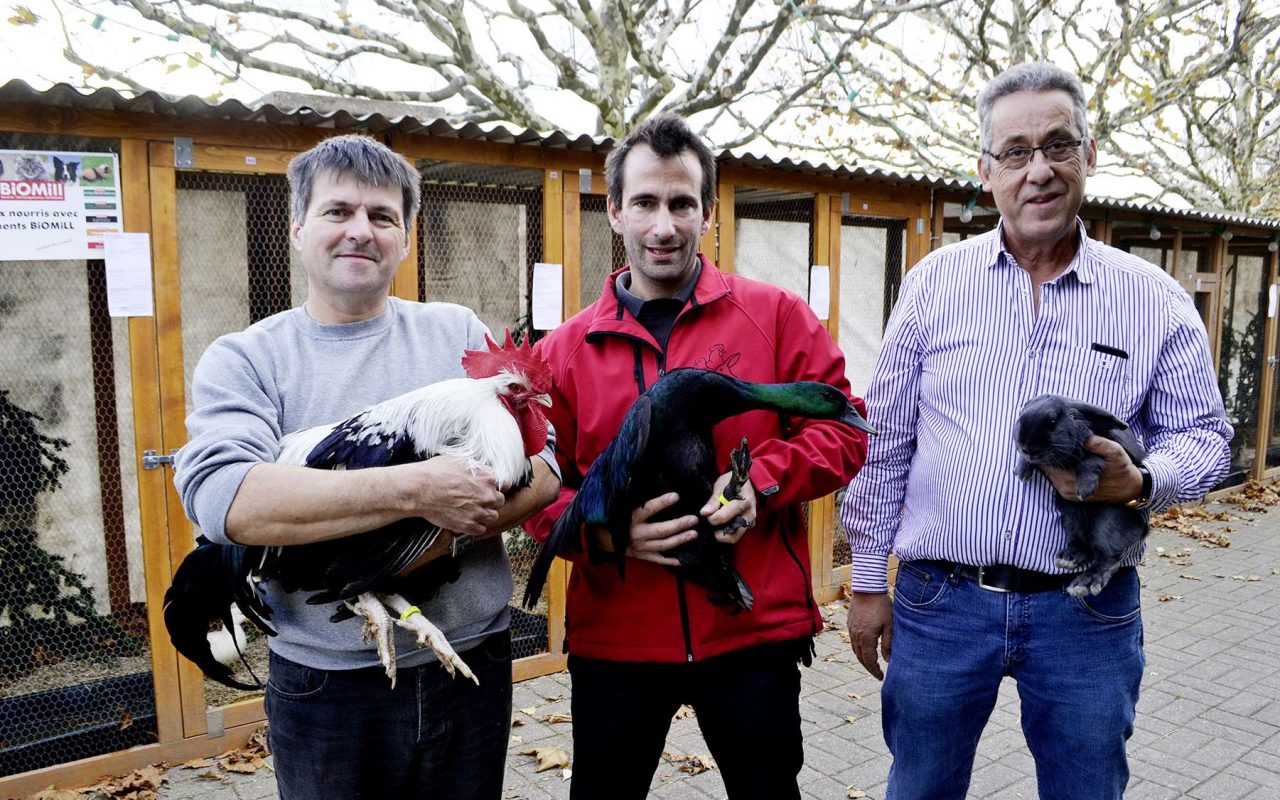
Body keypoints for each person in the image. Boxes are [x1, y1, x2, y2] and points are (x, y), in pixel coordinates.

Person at [841, 63, 1233, 799]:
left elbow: (1206, 439)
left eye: (1058, 145)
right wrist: (868, 584)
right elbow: (884, 443)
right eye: (1016, 152)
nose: (1039, 170)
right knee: (919, 788)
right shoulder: (933, 284)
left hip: (1087, 611)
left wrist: (1142, 481)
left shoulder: (1154, 299)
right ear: (985, 170)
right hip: (941, 603)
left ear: (1089, 155)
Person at [173, 134, 560, 800]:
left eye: (382, 217)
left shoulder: (455, 330)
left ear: (406, 237)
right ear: (298, 226)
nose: (361, 231)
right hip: (330, 686)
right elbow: (225, 500)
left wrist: (432, 538)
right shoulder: (246, 358)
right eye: (338, 211)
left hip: (473, 661)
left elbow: (543, 467)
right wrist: (416, 491)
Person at [523, 114, 869, 800]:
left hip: (750, 636)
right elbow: (534, 489)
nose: (664, 225)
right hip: (618, 641)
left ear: (708, 212)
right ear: (615, 209)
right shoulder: (562, 351)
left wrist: (762, 485)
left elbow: (846, 431)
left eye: (682, 203)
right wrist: (606, 532)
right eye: (646, 202)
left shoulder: (775, 316)